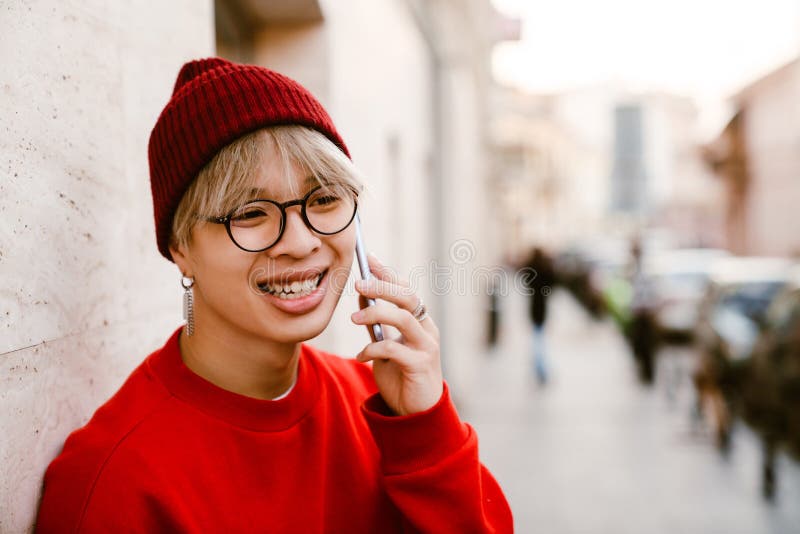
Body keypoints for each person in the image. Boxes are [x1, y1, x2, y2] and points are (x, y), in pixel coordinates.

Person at [35, 57, 512, 533]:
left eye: (324, 199)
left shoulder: (382, 405)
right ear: (180, 247)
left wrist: (428, 433)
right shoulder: (113, 480)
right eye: (249, 213)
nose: (302, 242)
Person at [520, 246, 556, 384]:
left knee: (537, 339)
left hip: (534, 307)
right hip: (542, 307)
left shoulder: (531, 269)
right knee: (540, 340)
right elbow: (553, 282)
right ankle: (540, 369)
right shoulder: (546, 268)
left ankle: (539, 368)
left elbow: (525, 279)